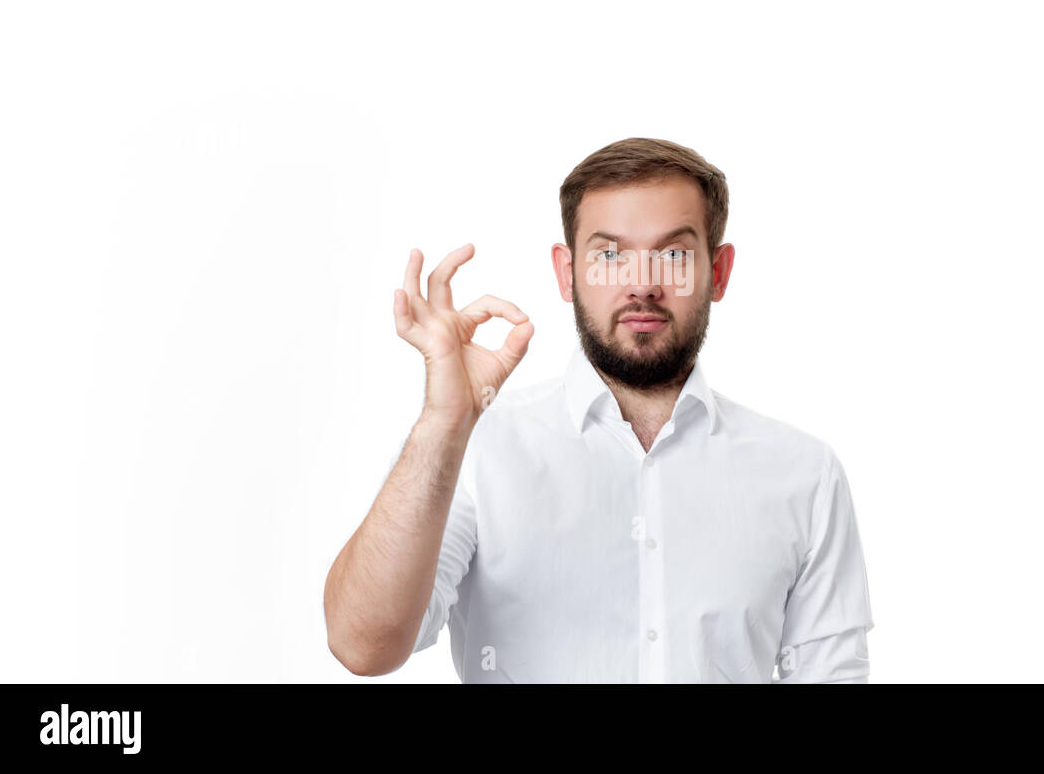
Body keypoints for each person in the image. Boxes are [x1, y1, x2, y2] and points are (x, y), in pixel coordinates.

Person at [323, 137, 875, 683]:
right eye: (610, 255)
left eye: (675, 255)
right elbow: (362, 646)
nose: (642, 285)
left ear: (719, 272)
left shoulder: (805, 475)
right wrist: (442, 425)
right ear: (567, 274)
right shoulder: (475, 447)